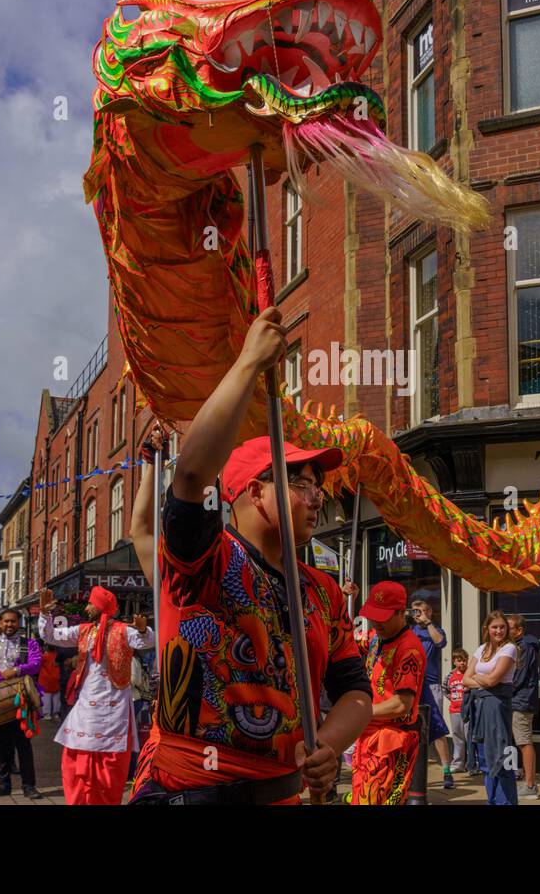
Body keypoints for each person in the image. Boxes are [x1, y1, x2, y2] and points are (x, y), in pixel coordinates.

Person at [126, 305, 372, 805]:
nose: (318, 497)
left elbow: (355, 690)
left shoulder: (322, 590)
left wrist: (328, 745)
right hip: (189, 793)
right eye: (301, 482)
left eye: (318, 485)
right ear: (257, 493)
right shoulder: (203, 560)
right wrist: (247, 365)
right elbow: (191, 478)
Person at [39, 585, 153, 804]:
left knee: (109, 766)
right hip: (87, 708)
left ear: (100, 605)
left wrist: (142, 629)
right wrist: (45, 613)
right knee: (76, 756)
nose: (87, 607)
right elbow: (51, 635)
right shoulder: (83, 631)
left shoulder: (123, 630)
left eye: (91, 603)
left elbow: (147, 641)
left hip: (114, 707)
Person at [351, 581, 425, 804]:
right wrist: (348, 601)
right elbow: (347, 641)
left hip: (390, 744)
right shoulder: (376, 637)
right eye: (373, 615)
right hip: (369, 737)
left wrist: (359, 713)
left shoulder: (409, 649)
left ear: (401, 613)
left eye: (382, 617)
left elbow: (402, 704)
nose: (376, 622)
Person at [0, 608, 43, 799]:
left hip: (20, 703)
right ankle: (3, 784)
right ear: (0, 623)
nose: (9, 625)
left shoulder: (29, 644)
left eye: (13, 622)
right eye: (6, 622)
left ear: (19, 623)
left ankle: (29, 786)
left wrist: (16, 670)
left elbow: (36, 663)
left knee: (23, 745)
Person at [463, 610, 518, 805]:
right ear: (487, 628)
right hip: (480, 708)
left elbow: (494, 680)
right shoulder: (481, 649)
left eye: (502, 627)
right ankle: (492, 801)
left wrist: (477, 678)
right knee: (485, 759)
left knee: (501, 757)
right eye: (495, 627)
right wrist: (482, 680)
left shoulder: (510, 648)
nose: (499, 631)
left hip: (498, 707)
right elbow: (464, 679)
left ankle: (506, 802)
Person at [411, 597, 453, 789]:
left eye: (421, 610)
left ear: (429, 612)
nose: (416, 614)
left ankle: (446, 772)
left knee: (437, 728)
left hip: (431, 685)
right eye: (414, 610)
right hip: (412, 685)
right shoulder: (410, 632)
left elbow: (440, 642)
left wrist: (427, 622)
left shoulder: (436, 629)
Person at [505, 613, 540, 799]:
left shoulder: (525, 647)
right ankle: (517, 778)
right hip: (516, 700)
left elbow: (518, 677)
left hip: (520, 701)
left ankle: (530, 786)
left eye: (508, 627)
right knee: (516, 740)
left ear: (519, 630)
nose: (503, 630)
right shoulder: (515, 646)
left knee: (523, 741)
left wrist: (502, 690)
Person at [444, 648, 470, 773]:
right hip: (454, 711)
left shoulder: (470, 674)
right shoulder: (450, 676)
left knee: (469, 736)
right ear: (454, 661)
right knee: (457, 736)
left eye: (464, 660)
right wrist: (453, 699)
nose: (462, 663)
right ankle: (458, 763)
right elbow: (445, 689)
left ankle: (471, 764)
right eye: (459, 661)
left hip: (468, 711)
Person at [38, 644, 61, 720]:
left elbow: (37, 664)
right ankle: (56, 714)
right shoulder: (58, 656)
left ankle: (47, 714)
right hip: (57, 679)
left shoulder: (44, 656)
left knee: (46, 698)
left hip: (45, 680)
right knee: (56, 698)